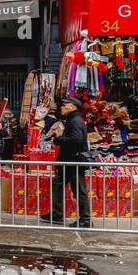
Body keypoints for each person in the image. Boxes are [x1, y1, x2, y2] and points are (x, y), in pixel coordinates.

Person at [48, 97, 90, 228]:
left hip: (74, 161)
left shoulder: (76, 121)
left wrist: (58, 140)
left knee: (79, 190)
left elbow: (76, 140)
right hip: (68, 161)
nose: (62, 107)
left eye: (65, 105)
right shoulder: (72, 120)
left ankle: (86, 219)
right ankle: (58, 213)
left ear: (73, 107)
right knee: (57, 184)